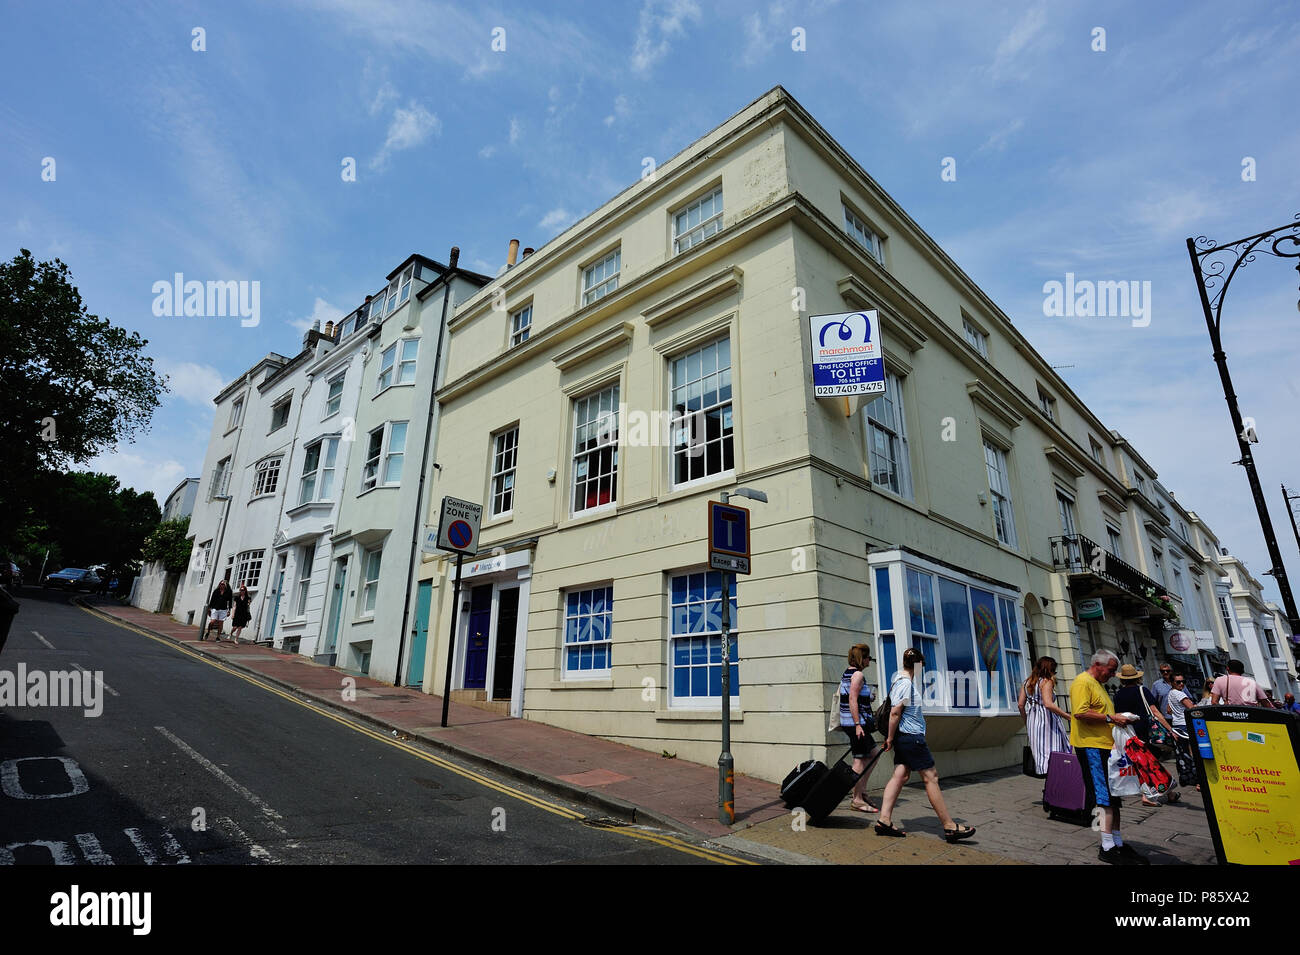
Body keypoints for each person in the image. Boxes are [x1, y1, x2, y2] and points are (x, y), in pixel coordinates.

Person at [874, 647, 976, 842]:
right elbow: (895, 713)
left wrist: (892, 738)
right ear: (918, 665)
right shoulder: (905, 683)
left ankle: (884, 820)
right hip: (912, 738)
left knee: (900, 775)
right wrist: (888, 738)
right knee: (931, 777)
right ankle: (949, 826)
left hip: (905, 737)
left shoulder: (898, 680)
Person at [1071, 649, 1147, 865]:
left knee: (1114, 795)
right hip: (1091, 747)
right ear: (1098, 664)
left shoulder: (1098, 685)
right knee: (1103, 796)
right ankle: (1106, 846)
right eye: (1111, 670)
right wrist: (1111, 717)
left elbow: (1100, 714)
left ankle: (1117, 842)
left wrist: (1117, 719)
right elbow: (1080, 713)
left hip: (1105, 746)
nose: (1113, 674)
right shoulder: (1082, 683)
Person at [1113, 663, 1181, 806]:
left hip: (1129, 733)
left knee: (1144, 765)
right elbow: (1155, 712)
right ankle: (1149, 795)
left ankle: (1167, 793)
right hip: (1146, 732)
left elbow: (1118, 716)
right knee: (1151, 765)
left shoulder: (1118, 695)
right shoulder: (1142, 690)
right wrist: (1170, 729)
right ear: (1136, 678)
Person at [837, 643, 886, 812]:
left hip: (853, 723)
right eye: (868, 658)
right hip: (854, 724)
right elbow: (851, 700)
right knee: (859, 759)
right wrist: (858, 724)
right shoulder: (857, 675)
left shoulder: (849, 672)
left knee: (873, 754)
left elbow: (854, 697)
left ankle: (861, 790)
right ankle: (857, 799)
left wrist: (868, 697)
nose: (869, 662)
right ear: (862, 658)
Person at [1017, 656, 1072, 776]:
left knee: (1040, 751)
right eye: (1054, 670)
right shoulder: (1046, 682)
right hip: (1047, 720)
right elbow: (1048, 704)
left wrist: (1027, 721)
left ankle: (1046, 777)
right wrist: (1068, 717)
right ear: (1049, 669)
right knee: (1053, 749)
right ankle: (1055, 781)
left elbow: (1020, 705)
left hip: (1033, 719)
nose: (1054, 673)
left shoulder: (1027, 682)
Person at [1164, 674, 1199, 791]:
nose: (1181, 684)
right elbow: (1191, 708)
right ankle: (1198, 781)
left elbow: (1168, 710)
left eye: (1183, 681)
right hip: (1185, 725)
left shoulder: (1170, 693)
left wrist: (1178, 713)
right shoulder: (1179, 693)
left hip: (1177, 725)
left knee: (1183, 753)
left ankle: (1187, 776)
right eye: (1178, 682)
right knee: (1193, 752)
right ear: (1172, 683)